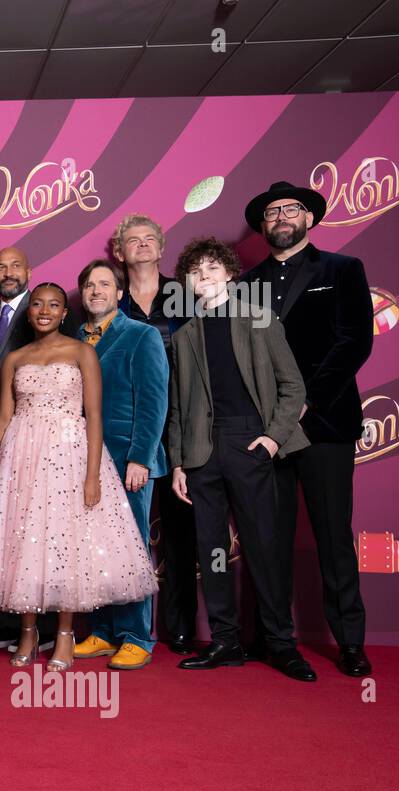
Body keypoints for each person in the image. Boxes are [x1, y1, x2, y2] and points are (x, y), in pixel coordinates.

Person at [0, 283, 158, 671]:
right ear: (29, 310)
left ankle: (66, 635)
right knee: (23, 540)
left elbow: (95, 416)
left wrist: (92, 477)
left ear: (64, 313)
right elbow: (3, 420)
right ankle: (28, 632)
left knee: (68, 544)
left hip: (70, 455)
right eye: (38, 304)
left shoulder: (81, 352)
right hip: (21, 457)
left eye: (54, 305)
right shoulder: (15, 359)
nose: (45, 311)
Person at [241, 181, 374, 678]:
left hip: (324, 423)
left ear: (309, 219)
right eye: (272, 210)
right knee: (266, 536)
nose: (280, 216)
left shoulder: (343, 270)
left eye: (290, 209)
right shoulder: (243, 285)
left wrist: (306, 401)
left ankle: (352, 642)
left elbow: (353, 342)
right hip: (264, 431)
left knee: (333, 535)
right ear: (262, 225)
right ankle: (272, 638)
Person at [167, 237, 312, 681]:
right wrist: (177, 462)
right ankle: (226, 641)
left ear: (229, 274)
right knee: (211, 551)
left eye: (213, 268)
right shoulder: (184, 335)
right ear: (188, 283)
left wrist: (271, 439)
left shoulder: (259, 318)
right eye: (196, 271)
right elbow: (177, 407)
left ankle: (280, 643)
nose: (204, 277)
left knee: (263, 548)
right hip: (201, 453)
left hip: (250, 445)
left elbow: (294, 388)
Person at [68, 260, 169, 670]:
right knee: (93, 548)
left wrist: (141, 458)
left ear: (120, 293)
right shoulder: (75, 338)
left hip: (128, 459)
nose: (96, 291)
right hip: (84, 460)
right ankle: (102, 631)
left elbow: (153, 401)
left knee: (130, 549)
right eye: (89, 284)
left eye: (105, 284)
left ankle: (136, 636)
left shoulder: (141, 335)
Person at [112, 213, 198, 654]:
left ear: (162, 249)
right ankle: (121, 628)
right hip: (129, 427)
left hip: (182, 423)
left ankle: (180, 626)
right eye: (133, 240)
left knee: (182, 529)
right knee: (124, 530)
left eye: (150, 239)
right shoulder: (110, 299)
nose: (142, 245)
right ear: (119, 252)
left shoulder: (186, 295)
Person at [0, 245, 54, 652]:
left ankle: (48, 628)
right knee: (5, 528)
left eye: (15, 265)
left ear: (29, 270)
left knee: (40, 530)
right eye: (0, 266)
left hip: (37, 439)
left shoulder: (43, 311)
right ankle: (12, 622)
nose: (7, 272)